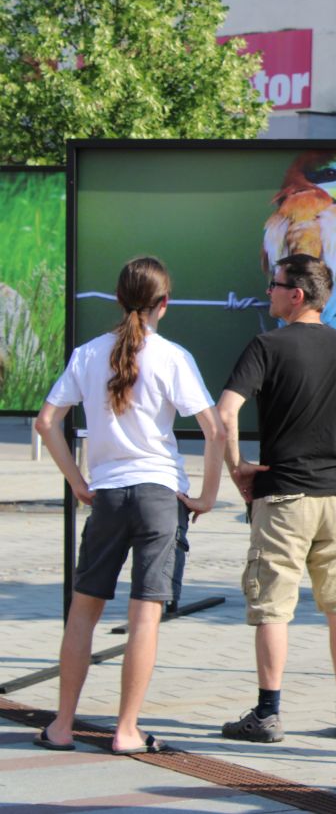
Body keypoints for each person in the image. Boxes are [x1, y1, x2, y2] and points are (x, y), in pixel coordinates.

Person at [32, 256, 224, 754]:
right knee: (144, 618)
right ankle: (126, 730)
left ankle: (62, 726)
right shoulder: (172, 357)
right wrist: (206, 495)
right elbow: (214, 428)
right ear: (165, 304)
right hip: (160, 496)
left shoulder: (88, 354)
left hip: (108, 496)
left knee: (83, 613)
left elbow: (46, 421)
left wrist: (77, 481)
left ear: (117, 299)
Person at [217, 254, 336, 742]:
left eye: (274, 284)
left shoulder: (266, 345)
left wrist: (237, 467)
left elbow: (225, 414)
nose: (268, 292)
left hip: (283, 498)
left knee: (272, 608)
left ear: (297, 294)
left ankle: (267, 714)